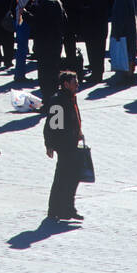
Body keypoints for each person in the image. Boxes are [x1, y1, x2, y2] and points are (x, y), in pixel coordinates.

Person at [43, 69, 85, 223]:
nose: (78, 85)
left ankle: (67, 208)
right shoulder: (58, 100)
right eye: (75, 82)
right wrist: (50, 145)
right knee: (62, 178)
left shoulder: (70, 97)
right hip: (64, 145)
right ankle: (56, 210)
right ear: (66, 84)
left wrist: (78, 132)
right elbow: (52, 126)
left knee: (72, 177)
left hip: (71, 142)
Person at [26, 0, 68, 105]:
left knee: (46, 76)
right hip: (54, 43)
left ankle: (49, 102)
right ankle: (51, 101)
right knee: (52, 74)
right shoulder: (54, 1)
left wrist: (25, 14)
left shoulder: (47, 3)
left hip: (46, 45)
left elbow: (39, 23)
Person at [109, 0, 137, 84]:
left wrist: (117, 33)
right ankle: (131, 73)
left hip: (124, 30)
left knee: (125, 52)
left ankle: (128, 75)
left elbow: (119, 17)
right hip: (131, 28)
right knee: (131, 51)